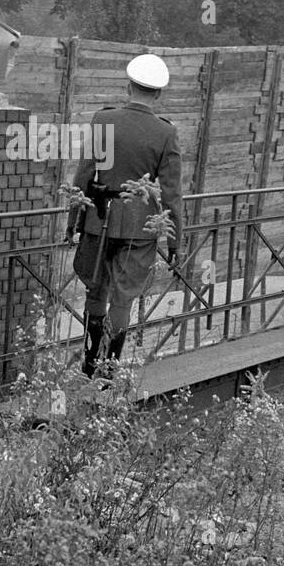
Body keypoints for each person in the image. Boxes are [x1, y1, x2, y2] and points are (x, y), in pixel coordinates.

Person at [67, 53, 183, 376]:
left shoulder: (103, 120)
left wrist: (73, 221)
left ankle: (89, 365)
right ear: (157, 94)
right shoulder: (165, 133)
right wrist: (175, 243)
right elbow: (173, 195)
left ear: (128, 85)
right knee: (123, 299)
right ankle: (109, 370)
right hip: (140, 227)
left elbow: (83, 176)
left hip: (98, 219)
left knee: (95, 289)